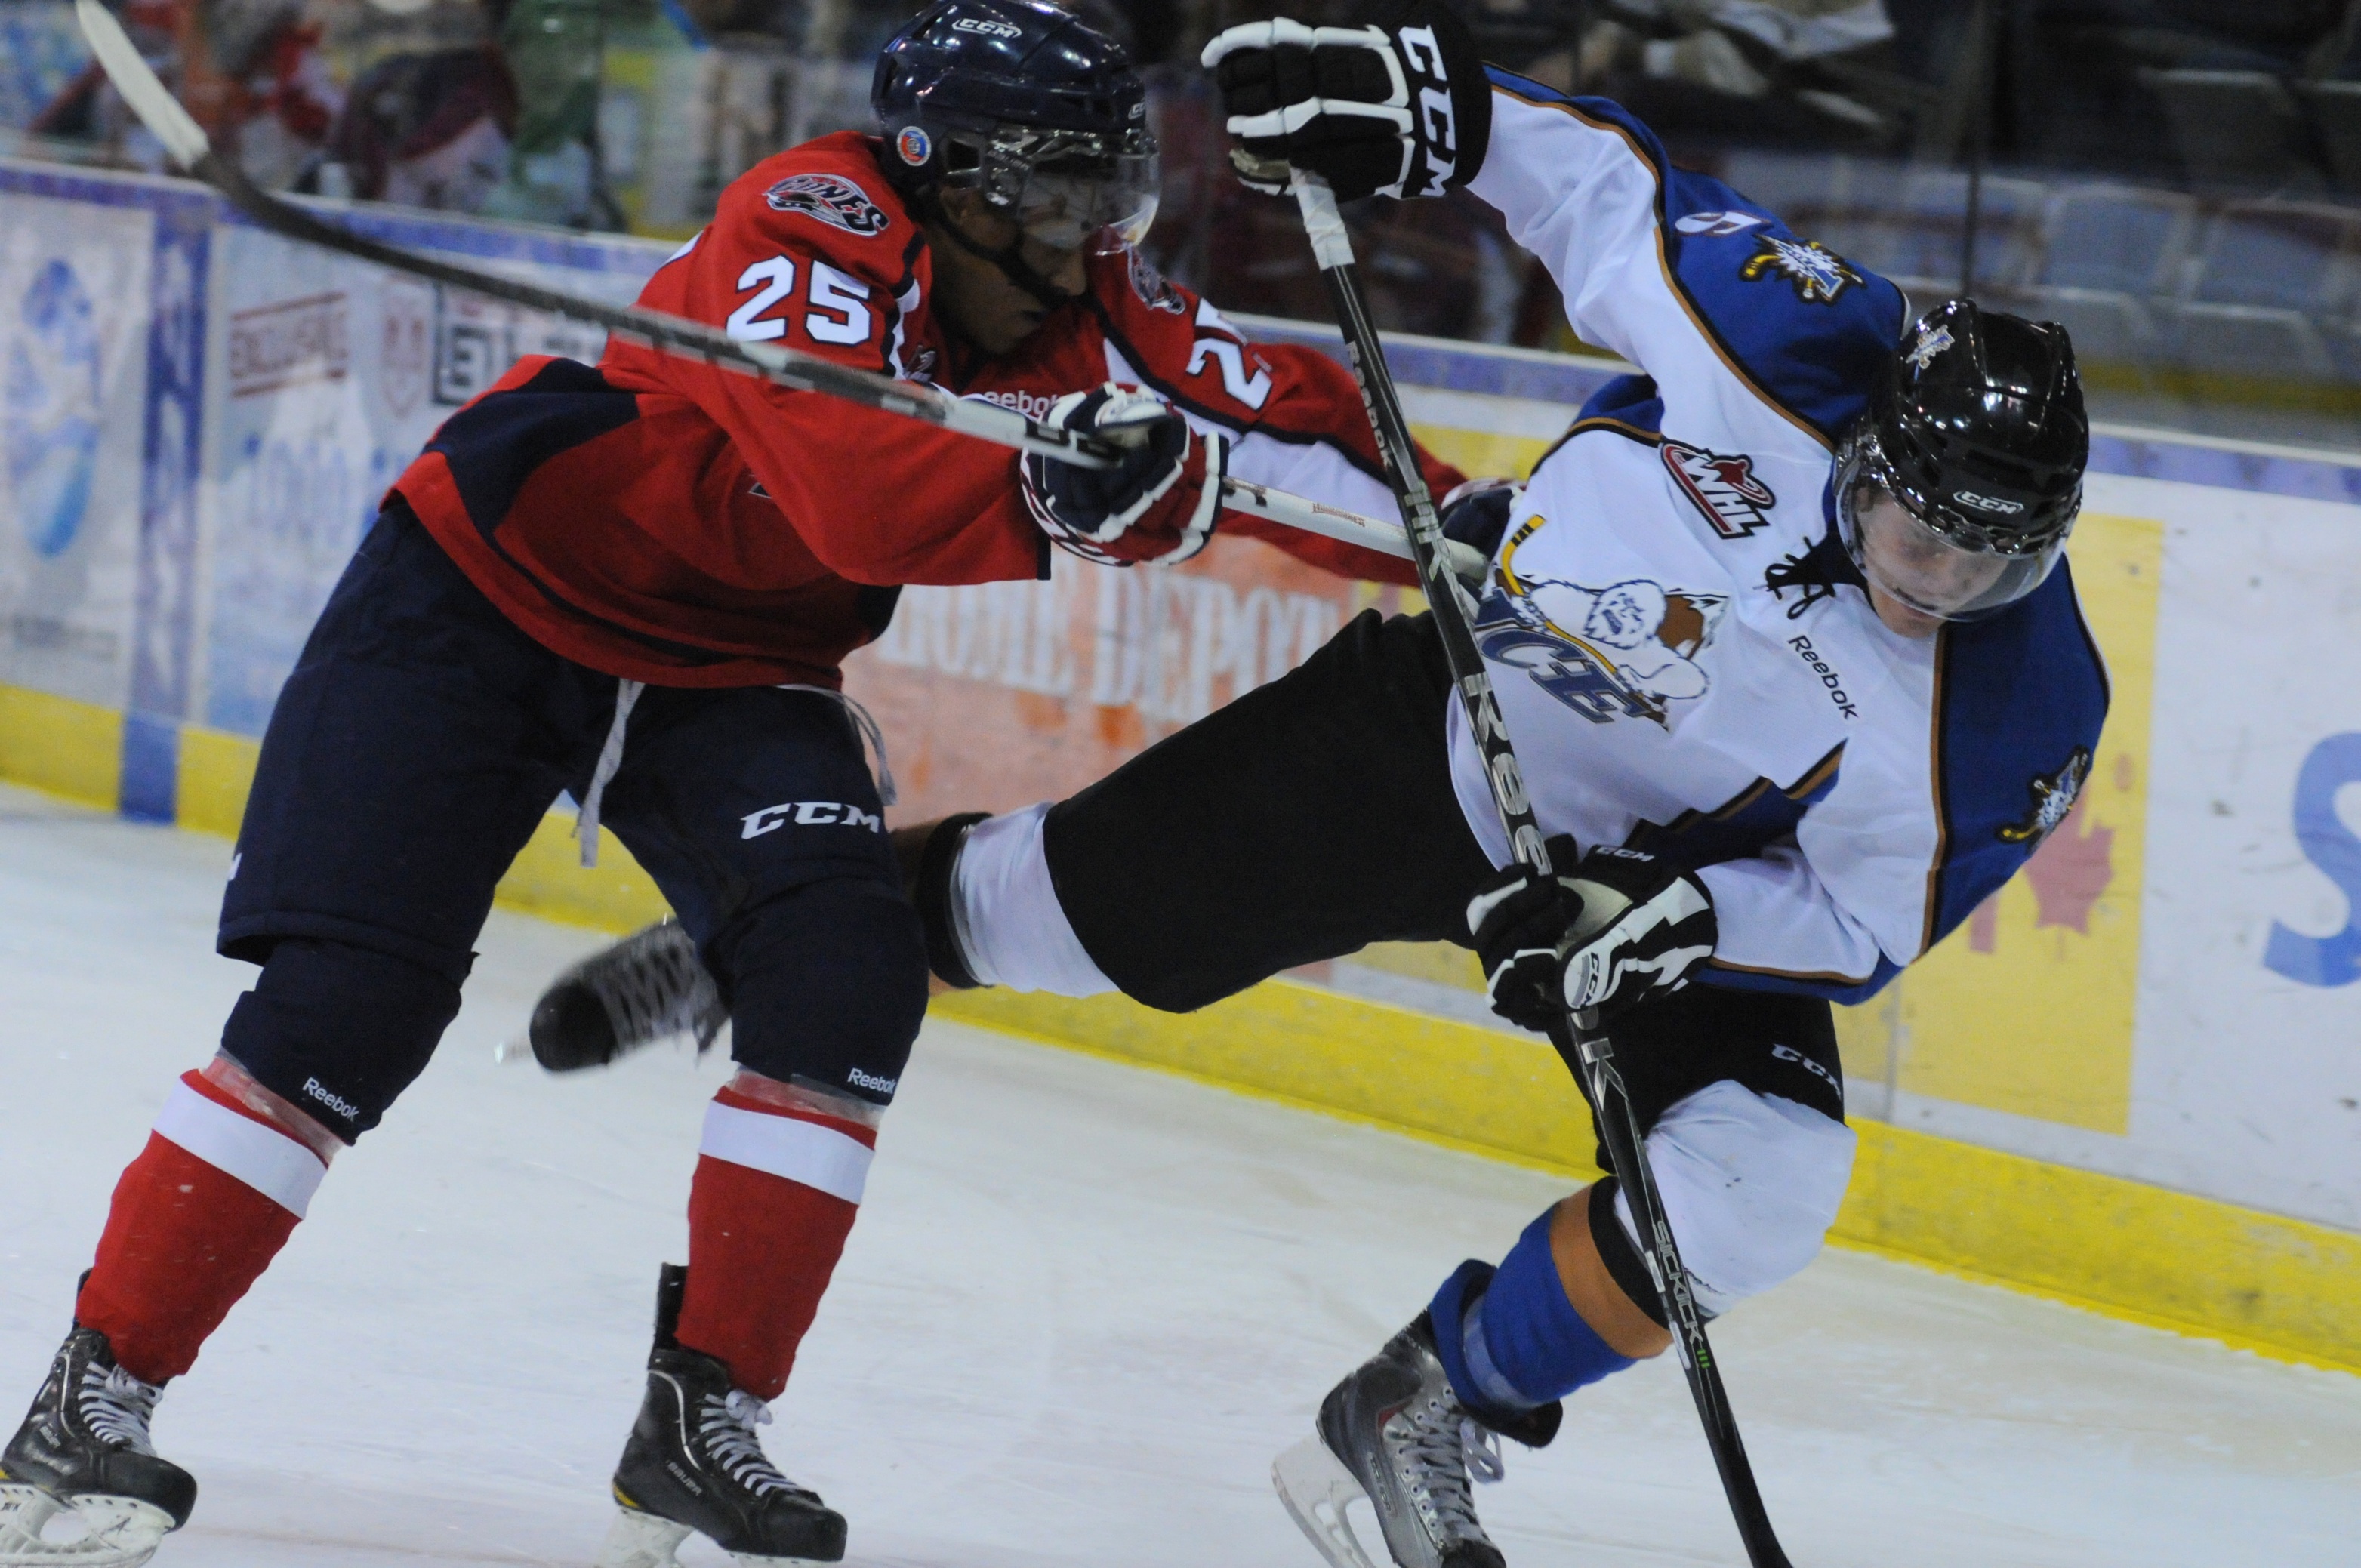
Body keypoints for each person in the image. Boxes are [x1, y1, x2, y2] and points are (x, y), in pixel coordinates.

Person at [526, 7, 2104, 1567]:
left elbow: (1857, 916)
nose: (1941, 582)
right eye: (1920, 537)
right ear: (1870, 453)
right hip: (1443, 721)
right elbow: (1599, 189)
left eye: (1992, 559)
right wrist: (1421, 108)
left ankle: (1432, 1403)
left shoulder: (2020, 706)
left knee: (1769, 1174)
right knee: (1034, 922)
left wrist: (1661, 921)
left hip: (1643, 885)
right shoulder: (1792, 342)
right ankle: (769, 937)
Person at [0, 5, 1461, 1566]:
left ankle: (701, 1424)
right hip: (482, 596)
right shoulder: (808, 217)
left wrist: (1479, 535)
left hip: (733, 661)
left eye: (1107, 193)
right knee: (343, 1010)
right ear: (940, 178)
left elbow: (1285, 426)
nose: (1087, 236)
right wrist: (1057, 487)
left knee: (845, 972)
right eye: (1049, 196)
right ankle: (91, 1398)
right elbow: (847, 494)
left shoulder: (1082, 299)